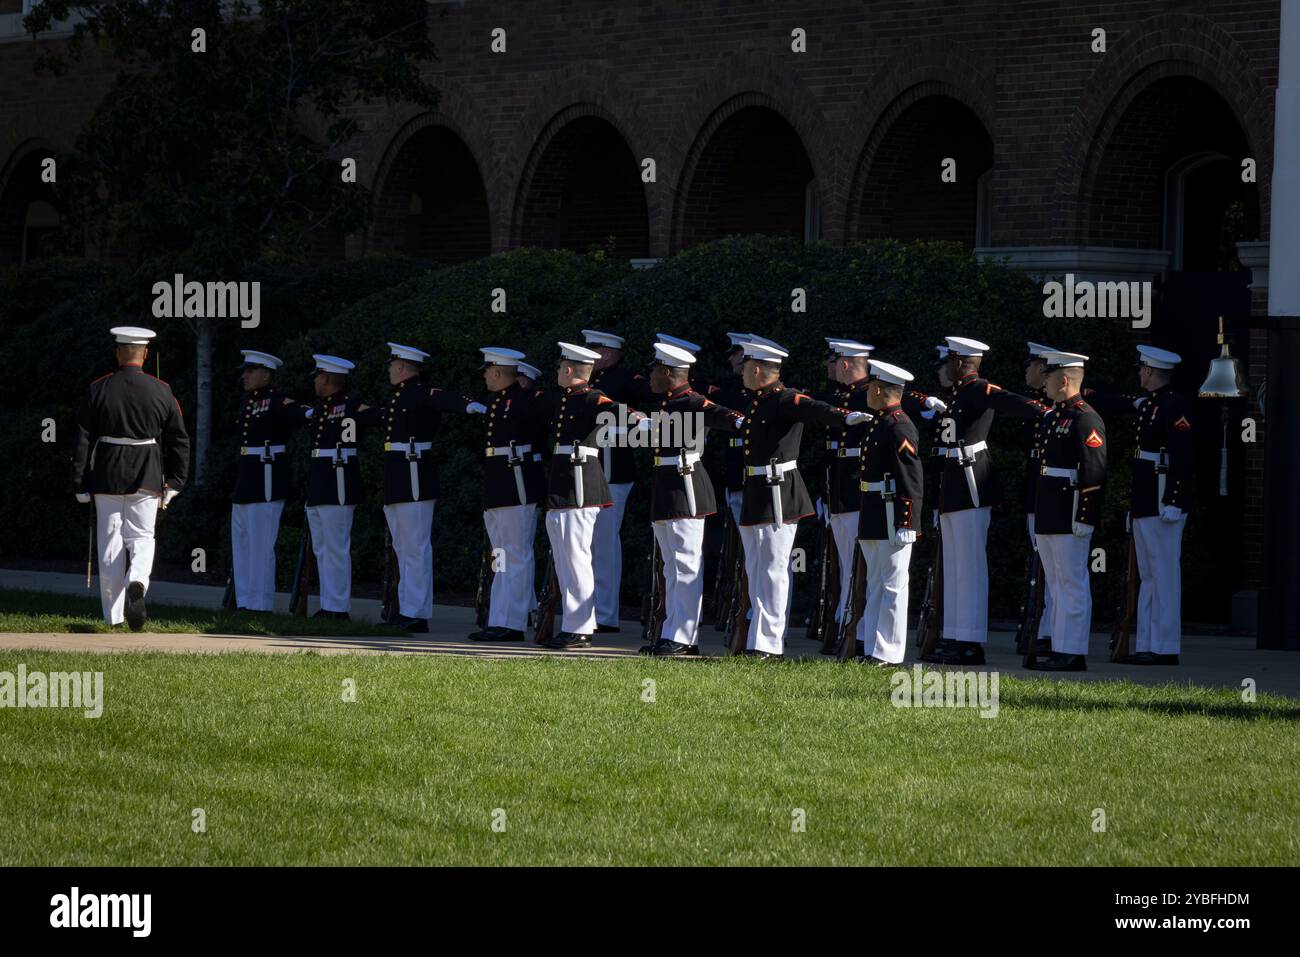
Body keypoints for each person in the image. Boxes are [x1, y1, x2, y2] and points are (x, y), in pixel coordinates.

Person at [734, 338, 871, 659]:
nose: (741, 373)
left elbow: (814, 409)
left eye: (745, 368)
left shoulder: (785, 398)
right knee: (755, 566)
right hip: (756, 489)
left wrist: (845, 418)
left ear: (757, 369)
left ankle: (769, 643)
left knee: (773, 567)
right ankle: (757, 637)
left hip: (779, 490)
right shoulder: (758, 400)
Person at [925, 336, 1046, 666]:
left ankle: (970, 640)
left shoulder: (977, 388)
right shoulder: (956, 394)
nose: (944, 366)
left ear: (961, 363)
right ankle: (954, 633)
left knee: (969, 565)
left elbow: (1009, 400)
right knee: (953, 564)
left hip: (970, 481)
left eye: (949, 360)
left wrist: (1043, 410)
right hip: (953, 481)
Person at [357, 342, 486, 631]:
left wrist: (468, 406)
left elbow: (446, 399)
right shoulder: (399, 397)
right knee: (404, 548)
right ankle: (406, 610)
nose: (389, 369)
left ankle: (416, 613)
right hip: (398, 478)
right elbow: (380, 417)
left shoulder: (420, 392)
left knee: (415, 547)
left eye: (392, 365)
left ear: (403, 367)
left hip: (415, 478)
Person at [70, 326, 190, 630]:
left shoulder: (98, 388)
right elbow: (179, 439)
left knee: (109, 543)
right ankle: (137, 580)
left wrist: (80, 482)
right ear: (145, 354)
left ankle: (114, 616)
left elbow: (82, 439)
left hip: (108, 470)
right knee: (142, 536)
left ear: (118, 352)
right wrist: (176, 481)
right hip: (147, 471)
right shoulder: (162, 390)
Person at [527, 341, 643, 649]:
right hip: (564, 484)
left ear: (568, 370)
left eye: (558, 367)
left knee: (577, 556)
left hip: (580, 485)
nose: (556, 371)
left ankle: (579, 628)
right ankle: (574, 623)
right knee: (566, 558)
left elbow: (616, 409)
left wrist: (636, 418)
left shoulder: (592, 398)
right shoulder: (567, 399)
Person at [637, 342, 744, 656]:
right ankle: (672, 632)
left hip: (686, 485)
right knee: (671, 566)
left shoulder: (692, 401)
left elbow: (722, 414)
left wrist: (740, 422)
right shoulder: (669, 403)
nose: (650, 377)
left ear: (668, 373)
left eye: (654, 371)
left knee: (685, 564)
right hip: (667, 485)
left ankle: (685, 637)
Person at [1025, 351, 1107, 671]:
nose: (1042, 381)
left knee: (1072, 582)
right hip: (1049, 508)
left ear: (1063, 380)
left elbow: (1095, 471)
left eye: (1048, 375)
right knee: (1056, 583)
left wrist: (1086, 516)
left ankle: (1072, 650)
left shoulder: (1086, 418)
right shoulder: (1054, 416)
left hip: (1069, 510)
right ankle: (1059, 646)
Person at [1115, 345, 1194, 665]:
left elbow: (1183, 455)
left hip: (1163, 497)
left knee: (1163, 573)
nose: (1138, 374)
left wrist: (1174, 499)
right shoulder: (1151, 404)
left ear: (1149, 372)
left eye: (1141, 370)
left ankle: (1165, 646)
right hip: (1146, 496)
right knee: (1148, 574)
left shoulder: (1174, 405)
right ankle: (1148, 642)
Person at [471, 346, 546, 642]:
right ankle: (499, 617)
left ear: (499, 372)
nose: (486, 376)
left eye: (488, 371)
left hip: (516, 486)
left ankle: (513, 622)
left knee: (515, 554)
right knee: (500, 554)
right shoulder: (499, 402)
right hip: (498, 485)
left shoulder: (525, 400)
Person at [854, 359, 925, 666]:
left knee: (893, 584)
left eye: (870, 386)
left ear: (880, 389)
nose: (867, 391)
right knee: (875, 582)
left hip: (890, 511)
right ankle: (872, 646)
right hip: (873, 509)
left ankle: (888, 652)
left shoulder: (899, 426)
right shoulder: (880, 422)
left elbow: (911, 477)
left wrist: (907, 520)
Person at [230, 350, 312, 612]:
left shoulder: (276, 401)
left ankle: (260, 603)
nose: (244, 375)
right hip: (247, 477)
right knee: (242, 541)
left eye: (250, 371)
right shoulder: (250, 401)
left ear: (266, 374)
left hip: (266, 477)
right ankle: (244, 601)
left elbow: (303, 413)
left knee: (261, 544)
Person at [582, 328, 646, 633]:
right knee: (590, 542)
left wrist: (620, 433)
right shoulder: (593, 383)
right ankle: (590, 609)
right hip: (592, 466)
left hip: (614, 468)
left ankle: (605, 613)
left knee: (605, 541)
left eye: (595, 350)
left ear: (608, 353)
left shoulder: (626, 381)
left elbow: (651, 417)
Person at [303, 354, 373, 620]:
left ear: (329, 379)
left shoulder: (350, 406)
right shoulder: (322, 407)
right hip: (320, 482)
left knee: (336, 547)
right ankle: (328, 603)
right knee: (322, 547)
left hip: (338, 483)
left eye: (319, 377)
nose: (315, 382)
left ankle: (338, 607)